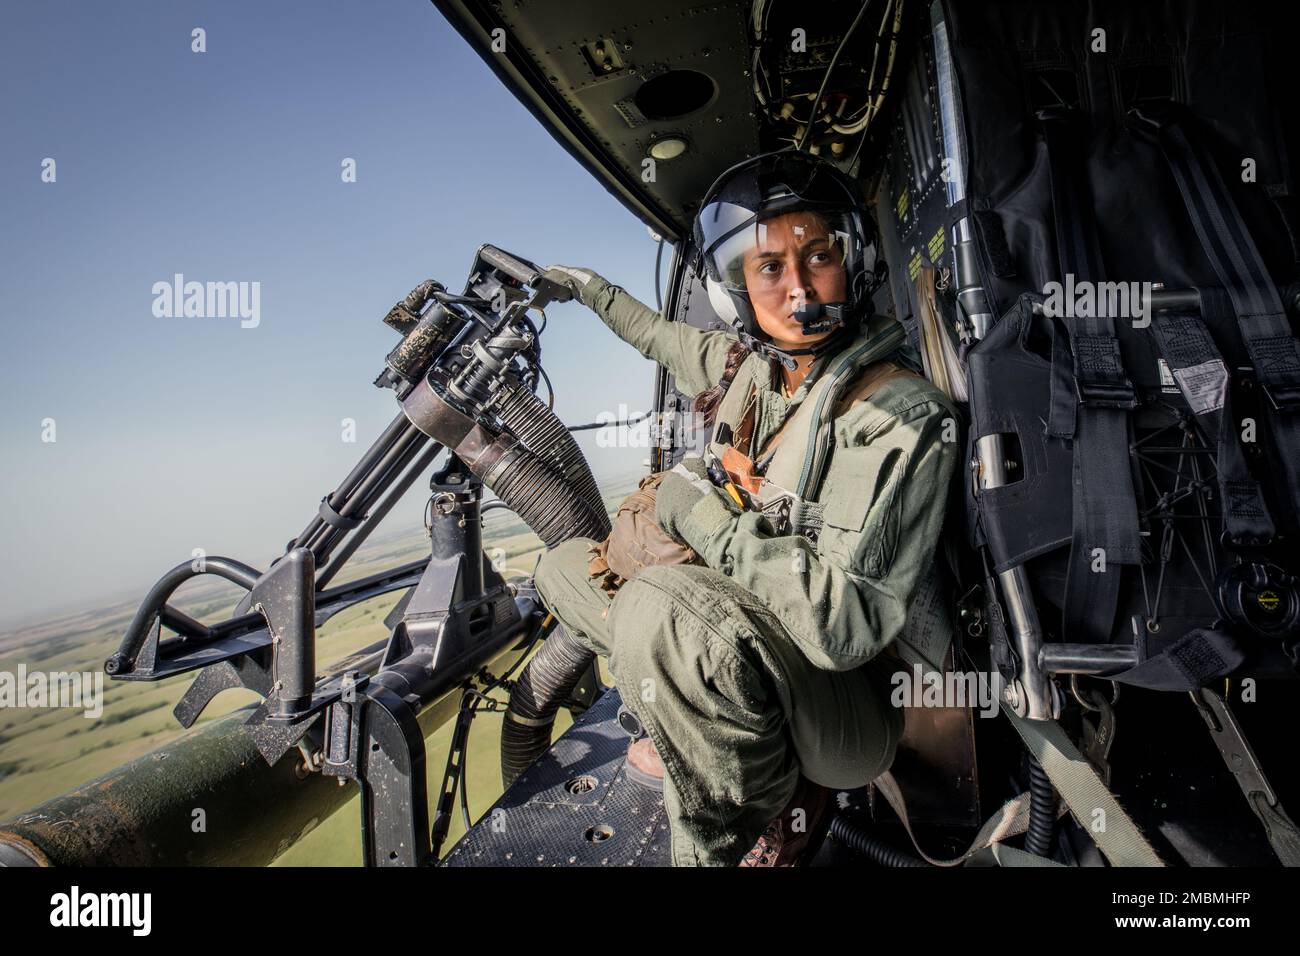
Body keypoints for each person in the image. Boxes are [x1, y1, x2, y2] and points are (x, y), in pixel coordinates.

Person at [533, 150, 960, 866]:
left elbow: (842, 630)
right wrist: (585, 288)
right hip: (746, 643)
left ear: (849, 260)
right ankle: (697, 710)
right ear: (737, 291)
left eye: (816, 255)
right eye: (768, 268)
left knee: (658, 609)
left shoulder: (895, 414)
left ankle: (747, 822)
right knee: (560, 569)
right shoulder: (755, 372)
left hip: (843, 707)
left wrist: (698, 515)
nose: (797, 288)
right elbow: (654, 334)